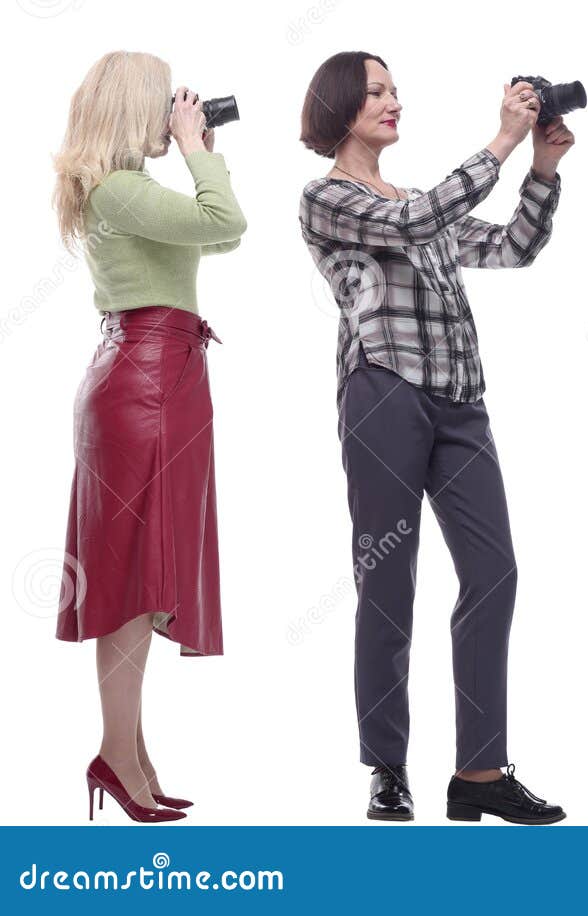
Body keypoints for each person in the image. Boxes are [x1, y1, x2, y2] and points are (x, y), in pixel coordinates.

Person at [298, 51, 574, 825]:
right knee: (388, 585)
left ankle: (479, 773)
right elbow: (414, 224)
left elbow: (513, 247)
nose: (394, 102)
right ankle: (387, 769)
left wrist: (542, 167)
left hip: (460, 401)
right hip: (383, 391)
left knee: (495, 573)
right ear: (341, 106)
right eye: (378, 92)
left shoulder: (425, 199)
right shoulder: (327, 198)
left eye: (393, 90)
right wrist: (501, 140)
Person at [52, 50, 247, 823]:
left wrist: (204, 152)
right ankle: (116, 752)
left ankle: (128, 752)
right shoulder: (120, 190)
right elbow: (228, 220)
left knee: (142, 578)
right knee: (132, 584)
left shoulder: (131, 192)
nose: (179, 109)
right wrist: (198, 149)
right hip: (145, 387)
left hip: (157, 379)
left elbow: (218, 236)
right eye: (166, 100)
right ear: (137, 108)